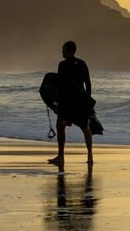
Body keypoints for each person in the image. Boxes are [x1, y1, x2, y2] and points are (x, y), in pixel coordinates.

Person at [48, 40, 94, 168]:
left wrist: (56, 102)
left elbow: (60, 85)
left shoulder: (62, 65)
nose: (61, 52)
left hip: (67, 102)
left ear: (68, 50)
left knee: (60, 125)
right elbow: (88, 83)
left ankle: (61, 156)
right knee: (85, 127)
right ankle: (90, 155)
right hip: (80, 101)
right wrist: (88, 100)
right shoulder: (82, 63)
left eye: (63, 50)